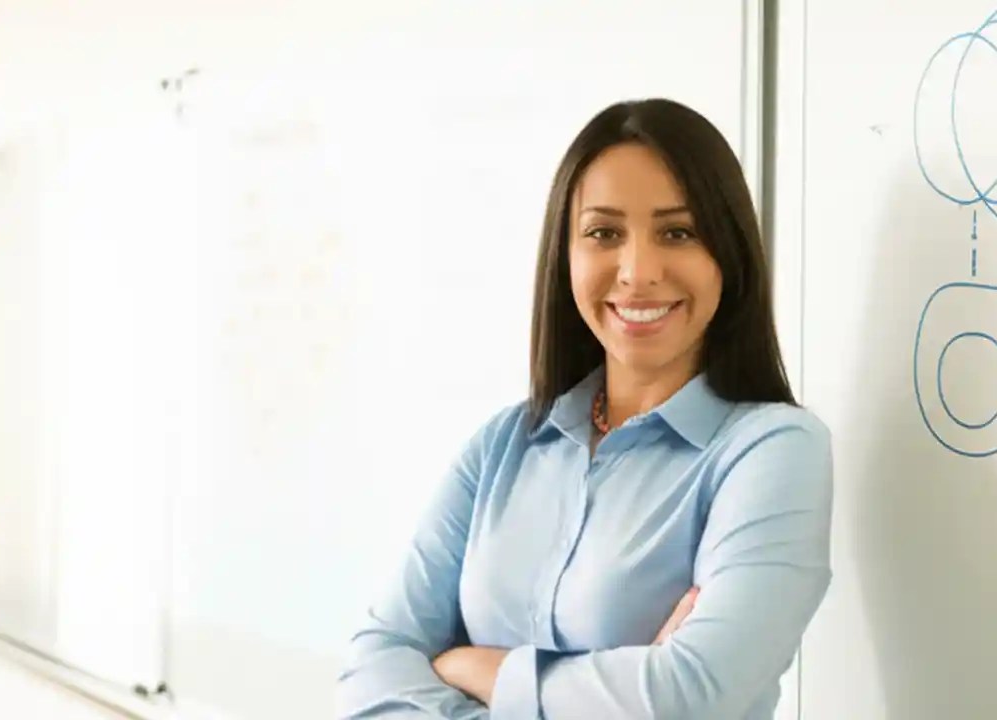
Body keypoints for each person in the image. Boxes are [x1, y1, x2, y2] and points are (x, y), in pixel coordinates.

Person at [336, 98, 833, 719]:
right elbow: (374, 665)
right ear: (565, 255)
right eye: (604, 233)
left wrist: (476, 668)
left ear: (726, 256)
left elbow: (687, 695)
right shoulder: (503, 446)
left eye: (678, 232)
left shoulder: (773, 452)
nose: (637, 271)